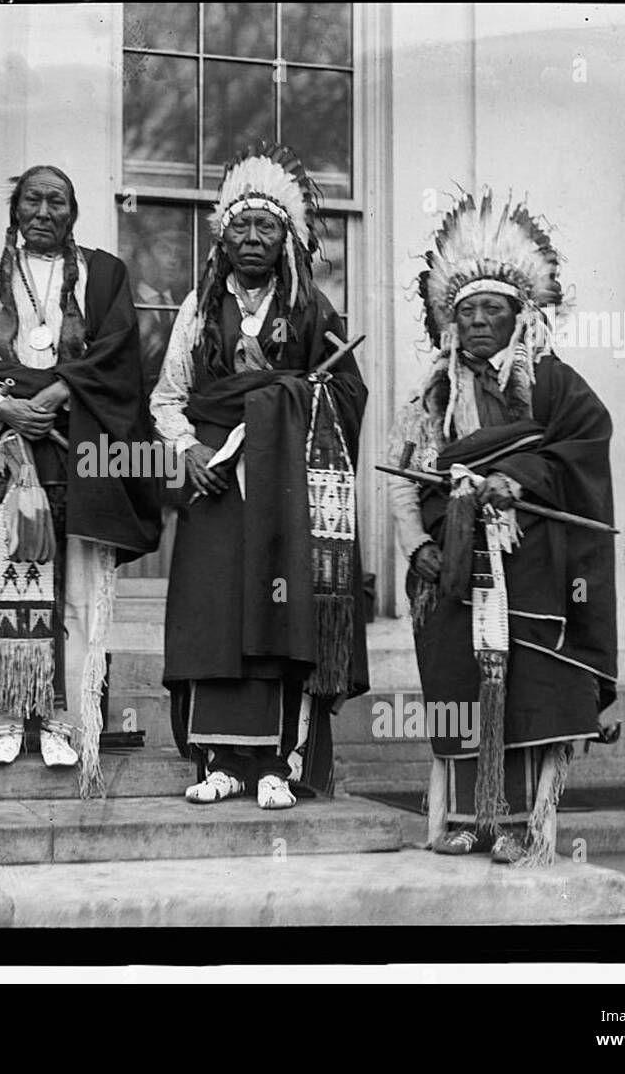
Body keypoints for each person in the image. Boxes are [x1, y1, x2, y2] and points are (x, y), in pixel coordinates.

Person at [385, 191, 618, 865]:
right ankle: (463, 819)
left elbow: (582, 444)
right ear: (449, 321)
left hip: (533, 563)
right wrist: (421, 544)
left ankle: (524, 826)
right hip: (455, 564)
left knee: (530, 687)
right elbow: (406, 476)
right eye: (468, 311)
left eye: (494, 309)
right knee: (461, 681)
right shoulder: (431, 396)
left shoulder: (553, 385)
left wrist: (520, 480)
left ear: (521, 315)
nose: (480, 321)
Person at [150, 142, 370, 810]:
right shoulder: (199, 306)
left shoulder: (313, 312)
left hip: (284, 491)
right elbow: (166, 397)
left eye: (265, 227)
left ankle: (279, 763)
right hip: (213, 488)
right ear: (223, 233)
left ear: (286, 238)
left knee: (280, 618)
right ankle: (218, 761)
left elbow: (348, 394)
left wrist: (284, 401)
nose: (252, 238)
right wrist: (188, 451)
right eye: (241, 225)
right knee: (212, 618)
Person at [0, 164, 160, 795]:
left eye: (57, 201)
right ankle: (4, 717)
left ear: (73, 213)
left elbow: (119, 353)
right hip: (4, 448)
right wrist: (6, 409)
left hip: (75, 446)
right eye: (33, 199)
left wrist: (62, 391)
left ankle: (64, 722)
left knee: (73, 587)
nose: (44, 210)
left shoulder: (100, 276)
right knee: (1, 582)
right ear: (16, 210)